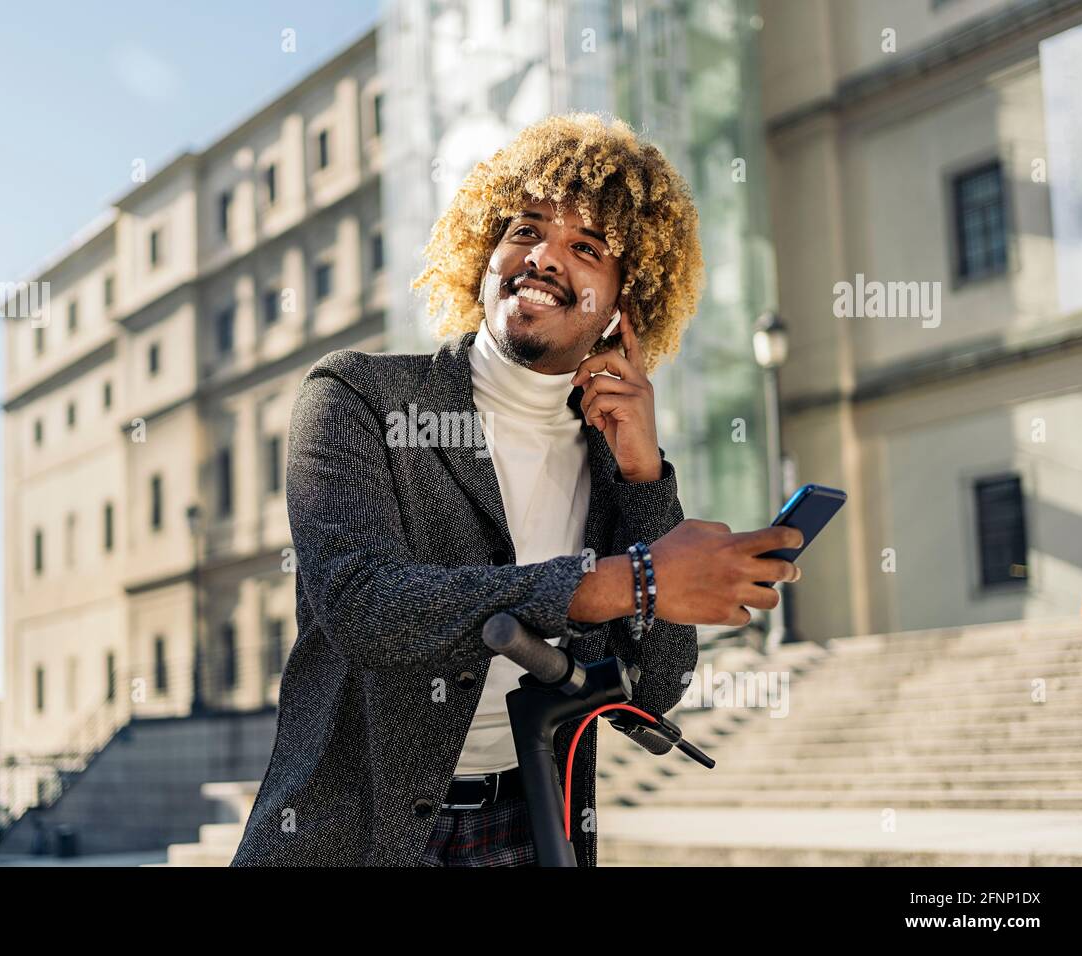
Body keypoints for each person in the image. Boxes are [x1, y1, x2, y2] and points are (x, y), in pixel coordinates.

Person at [230, 112, 803, 868]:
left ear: (625, 304)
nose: (542, 257)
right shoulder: (356, 396)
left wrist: (643, 480)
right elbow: (366, 608)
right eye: (524, 229)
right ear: (483, 255)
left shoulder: (612, 463)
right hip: (355, 839)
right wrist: (629, 582)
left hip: (529, 829)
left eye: (585, 247)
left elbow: (654, 689)